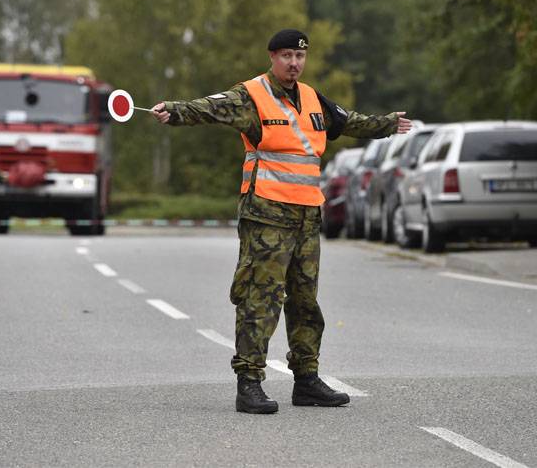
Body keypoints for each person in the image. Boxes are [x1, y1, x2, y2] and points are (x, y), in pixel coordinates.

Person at [151, 29, 412, 414]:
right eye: (287, 55)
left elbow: (350, 121)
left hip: (307, 215)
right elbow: (209, 107)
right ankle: (249, 382)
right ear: (272, 57)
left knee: (305, 302)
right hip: (266, 216)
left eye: (300, 57)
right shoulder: (251, 95)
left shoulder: (312, 99)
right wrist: (173, 110)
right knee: (261, 298)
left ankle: (306, 380)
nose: (294, 63)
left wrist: (387, 124)